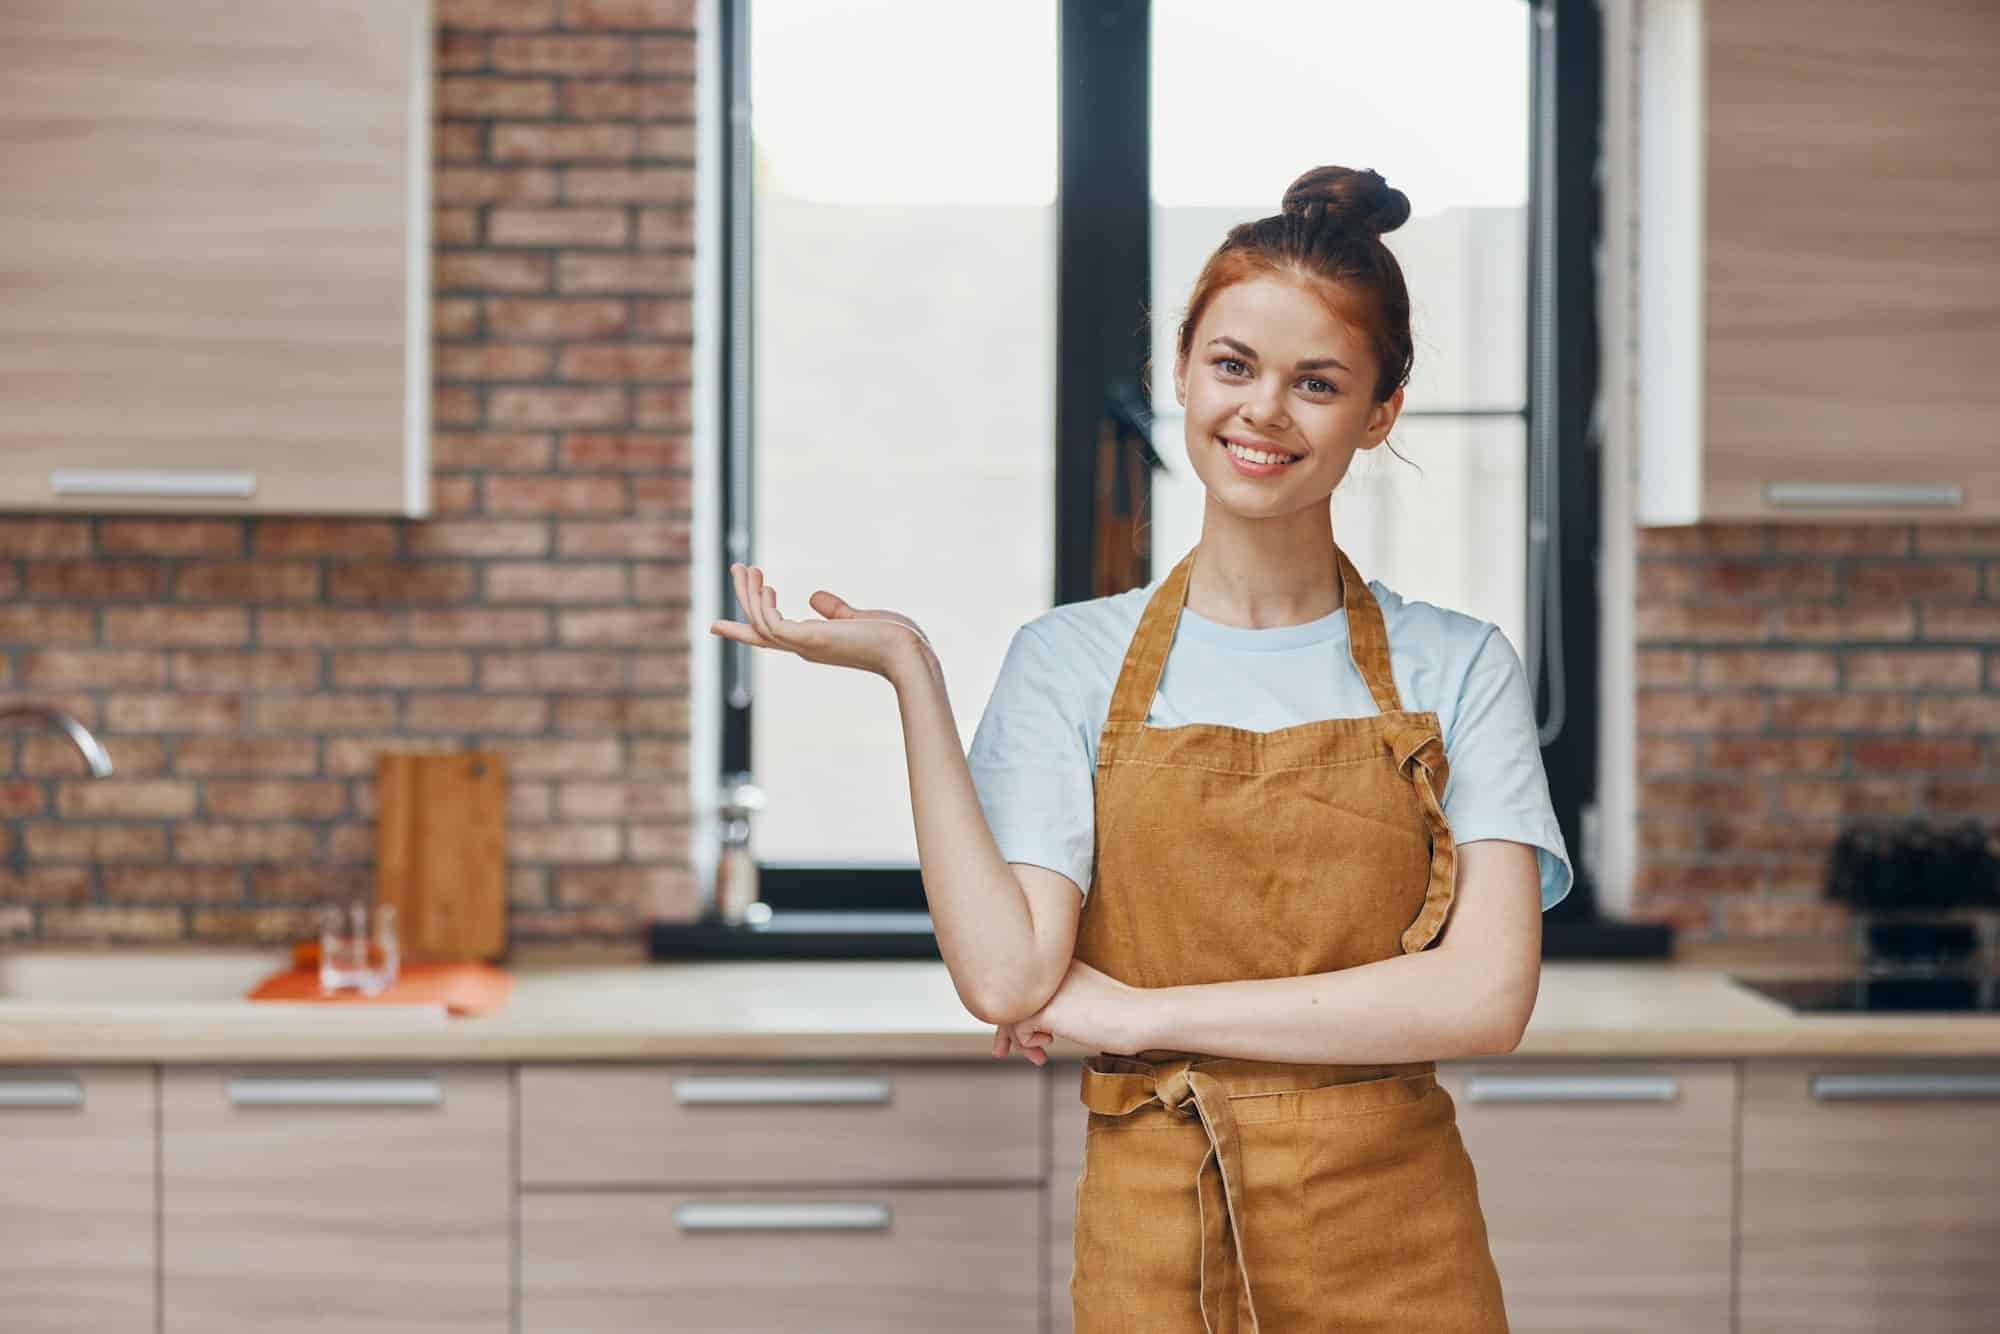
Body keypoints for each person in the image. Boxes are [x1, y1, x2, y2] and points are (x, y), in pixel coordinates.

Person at [711, 164, 1572, 1332]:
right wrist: (910, 669)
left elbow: (1484, 996)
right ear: (1181, 371)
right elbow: (1008, 978)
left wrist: (1137, 1013)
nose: (1262, 411)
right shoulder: (1069, 661)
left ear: (1377, 412)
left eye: (1314, 382)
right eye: (1232, 365)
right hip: (1151, 1238)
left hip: (1397, 1246)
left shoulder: (1459, 665)